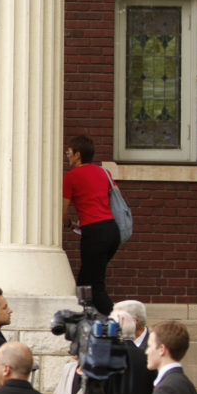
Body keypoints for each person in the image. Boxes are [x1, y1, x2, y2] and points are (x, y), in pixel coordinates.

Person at [62, 134, 121, 315]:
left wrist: (69, 224)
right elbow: (115, 198)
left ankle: (119, 325)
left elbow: (62, 211)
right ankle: (91, 322)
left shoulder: (71, 177)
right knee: (85, 283)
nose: (68, 156)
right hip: (112, 231)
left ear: (78, 155)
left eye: (69, 152)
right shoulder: (104, 172)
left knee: (94, 286)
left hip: (94, 233)